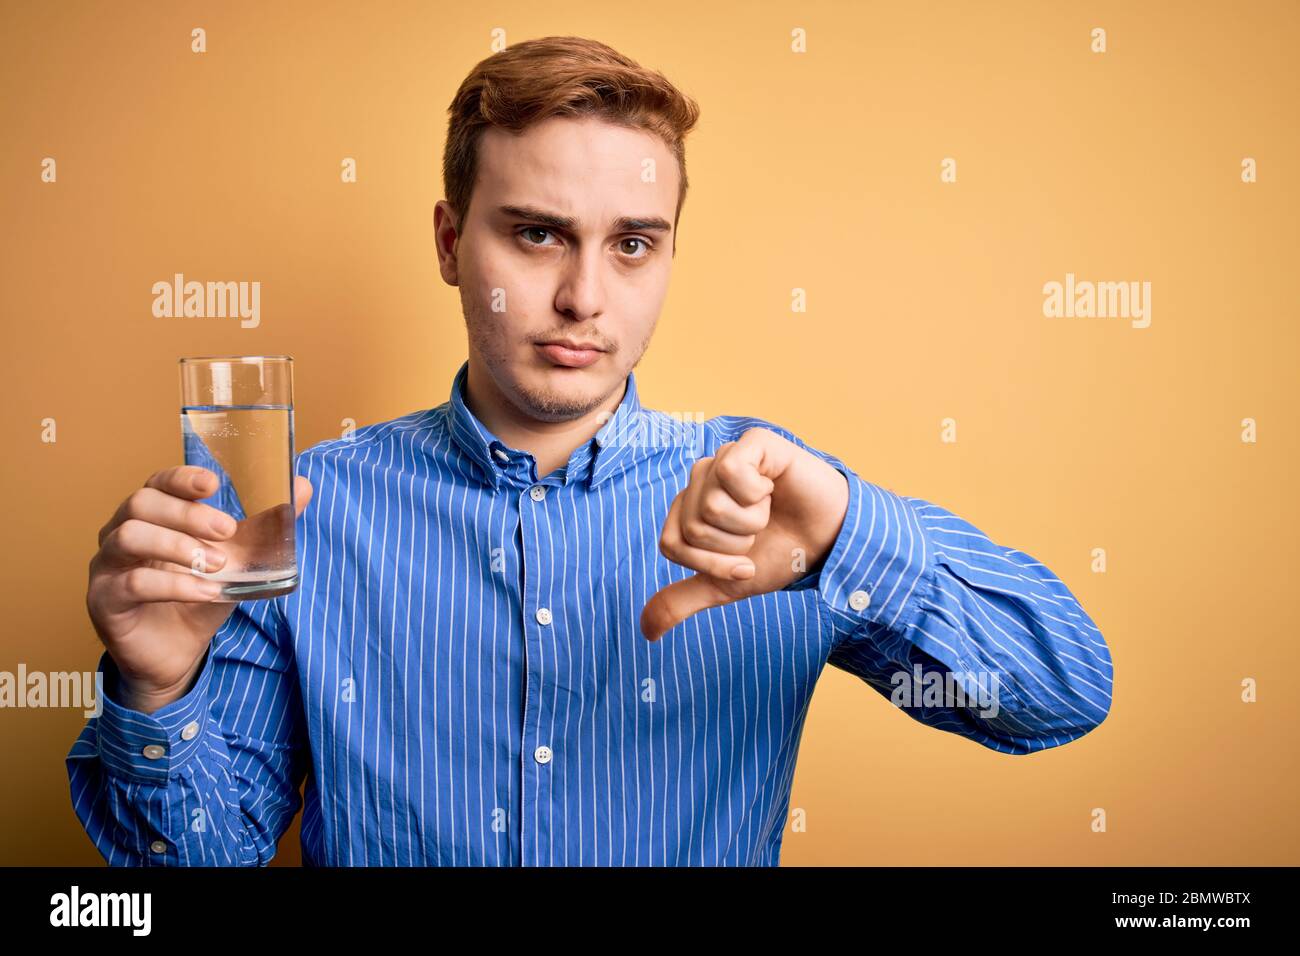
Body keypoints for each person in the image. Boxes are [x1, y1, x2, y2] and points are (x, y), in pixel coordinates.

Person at [68, 35, 1112, 867]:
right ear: (448, 241)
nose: (583, 296)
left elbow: (1059, 695)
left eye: (631, 243)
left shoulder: (772, 504)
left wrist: (846, 533)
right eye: (534, 234)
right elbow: (198, 862)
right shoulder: (303, 515)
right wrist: (158, 689)